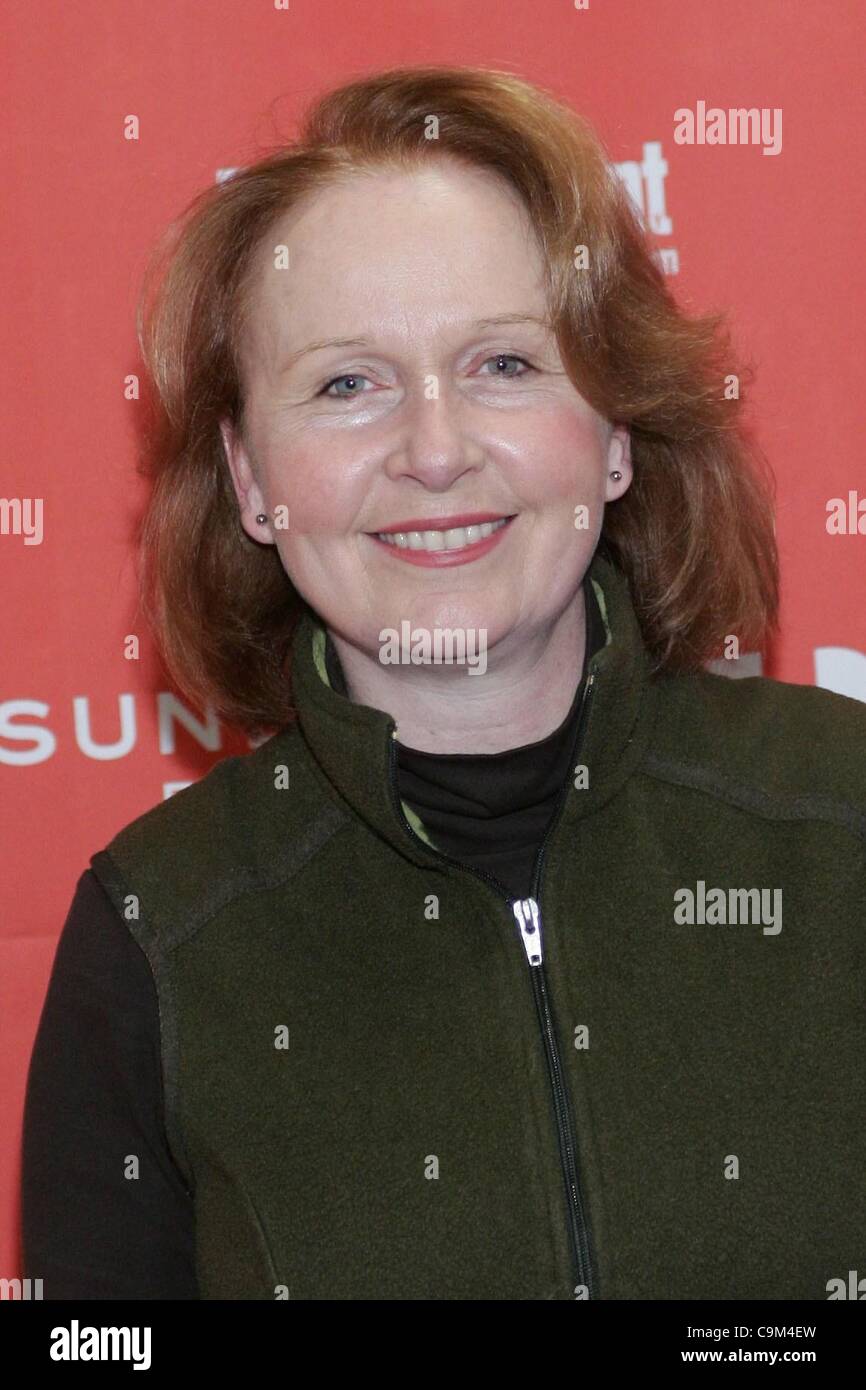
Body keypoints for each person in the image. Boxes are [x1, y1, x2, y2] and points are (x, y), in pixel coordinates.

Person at [21, 64, 866, 1301]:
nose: (433, 449)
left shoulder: (842, 820)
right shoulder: (156, 931)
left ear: (616, 430)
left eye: (504, 365)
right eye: (347, 383)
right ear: (252, 479)